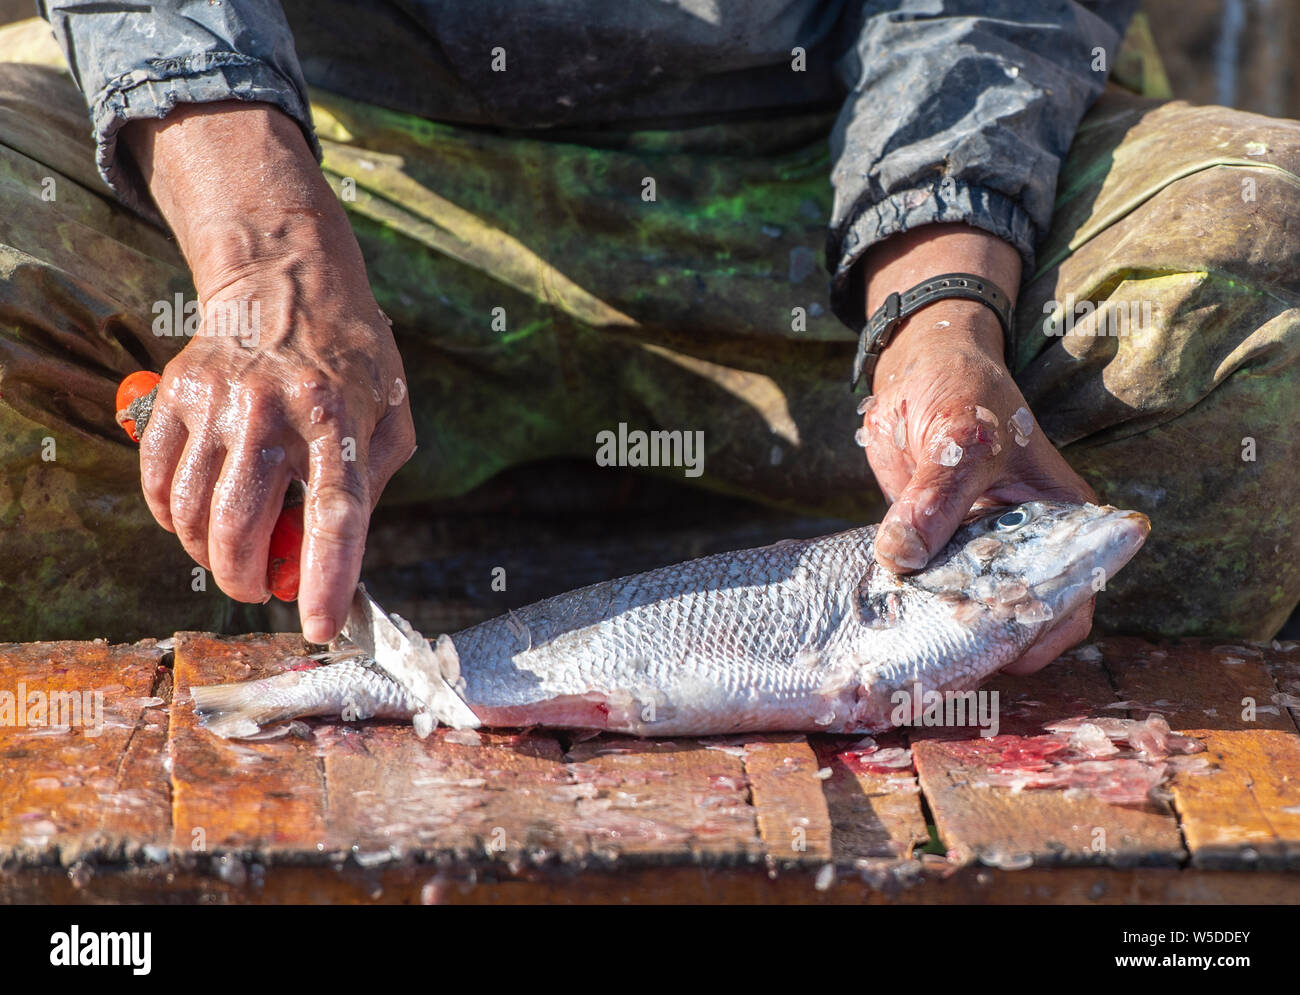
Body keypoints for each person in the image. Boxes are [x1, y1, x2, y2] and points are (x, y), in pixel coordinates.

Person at [1, 2, 1296, 665]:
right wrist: (264, 254)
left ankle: (839, 630)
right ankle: (293, 633)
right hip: (318, 165)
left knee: (1262, 259)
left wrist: (943, 313)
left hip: (810, 186)